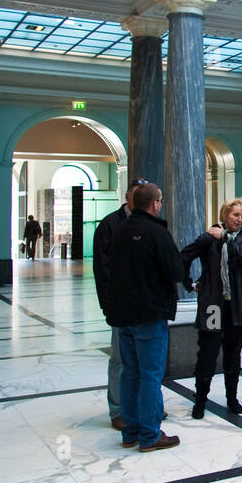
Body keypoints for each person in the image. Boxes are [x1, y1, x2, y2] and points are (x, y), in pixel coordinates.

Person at [106, 183, 186, 452]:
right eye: (160, 200)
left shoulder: (119, 230)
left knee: (130, 373)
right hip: (149, 313)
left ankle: (130, 431)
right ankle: (150, 434)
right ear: (154, 203)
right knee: (151, 375)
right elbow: (175, 271)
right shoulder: (156, 231)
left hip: (123, 313)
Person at [181, 197, 242, 419]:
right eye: (236, 215)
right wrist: (188, 282)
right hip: (213, 305)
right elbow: (184, 256)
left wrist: (224, 237)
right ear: (225, 214)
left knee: (233, 352)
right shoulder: (209, 237)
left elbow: (241, 253)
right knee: (208, 352)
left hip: (236, 306)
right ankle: (200, 400)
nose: (239, 219)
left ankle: (231, 398)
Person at [92, 179, 149, 431]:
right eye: (137, 195)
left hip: (145, 303)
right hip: (121, 302)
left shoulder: (151, 223)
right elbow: (102, 269)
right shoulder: (110, 225)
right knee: (120, 358)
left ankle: (145, 406)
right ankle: (119, 410)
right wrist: (107, 303)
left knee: (145, 358)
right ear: (128, 197)